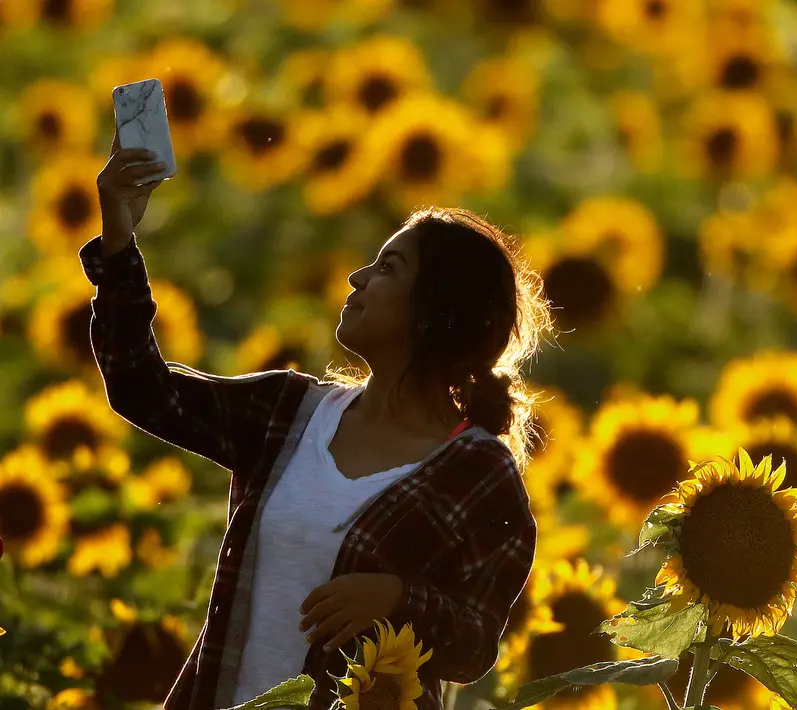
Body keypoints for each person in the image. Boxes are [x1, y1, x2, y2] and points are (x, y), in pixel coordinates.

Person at [83, 131, 549, 710]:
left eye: (388, 268)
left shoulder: (477, 472)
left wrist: (397, 599)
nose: (358, 277)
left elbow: (475, 645)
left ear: (437, 311)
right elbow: (142, 388)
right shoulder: (288, 413)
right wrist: (119, 239)